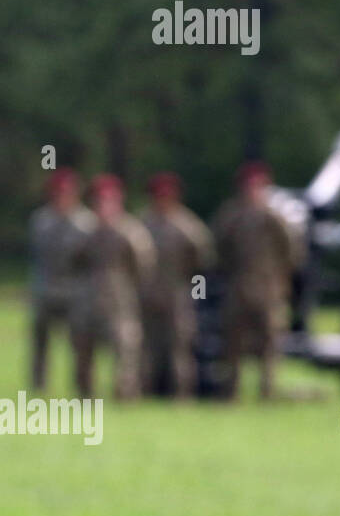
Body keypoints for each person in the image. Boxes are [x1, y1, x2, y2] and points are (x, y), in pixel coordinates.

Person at [212, 162, 298, 400]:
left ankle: (267, 391)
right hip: (238, 287)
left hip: (269, 289)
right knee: (233, 341)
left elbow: (291, 251)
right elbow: (220, 249)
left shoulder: (275, 219)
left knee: (270, 341)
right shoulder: (231, 216)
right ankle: (231, 391)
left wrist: (280, 278)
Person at [69, 174, 155, 399]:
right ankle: (84, 396)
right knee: (82, 347)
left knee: (125, 347)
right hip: (88, 298)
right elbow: (74, 262)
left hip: (120, 299)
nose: (104, 207)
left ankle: (125, 395)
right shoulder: (84, 232)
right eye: (99, 202)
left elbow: (143, 268)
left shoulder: (131, 232)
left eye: (109, 201)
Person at [140, 172, 214, 398]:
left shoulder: (188, 226)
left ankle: (182, 394)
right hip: (148, 293)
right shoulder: (142, 224)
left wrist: (196, 292)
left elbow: (203, 261)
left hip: (178, 294)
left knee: (180, 347)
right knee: (147, 347)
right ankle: (145, 391)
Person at [28, 168, 96, 393]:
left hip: (75, 291)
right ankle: (39, 387)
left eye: (66, 193)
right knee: (40, 342)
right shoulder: (40, 220)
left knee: (81, 342)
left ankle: (82, 388)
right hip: (46, 289)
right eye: (57, 193)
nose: (61, 197)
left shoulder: (87, 223)